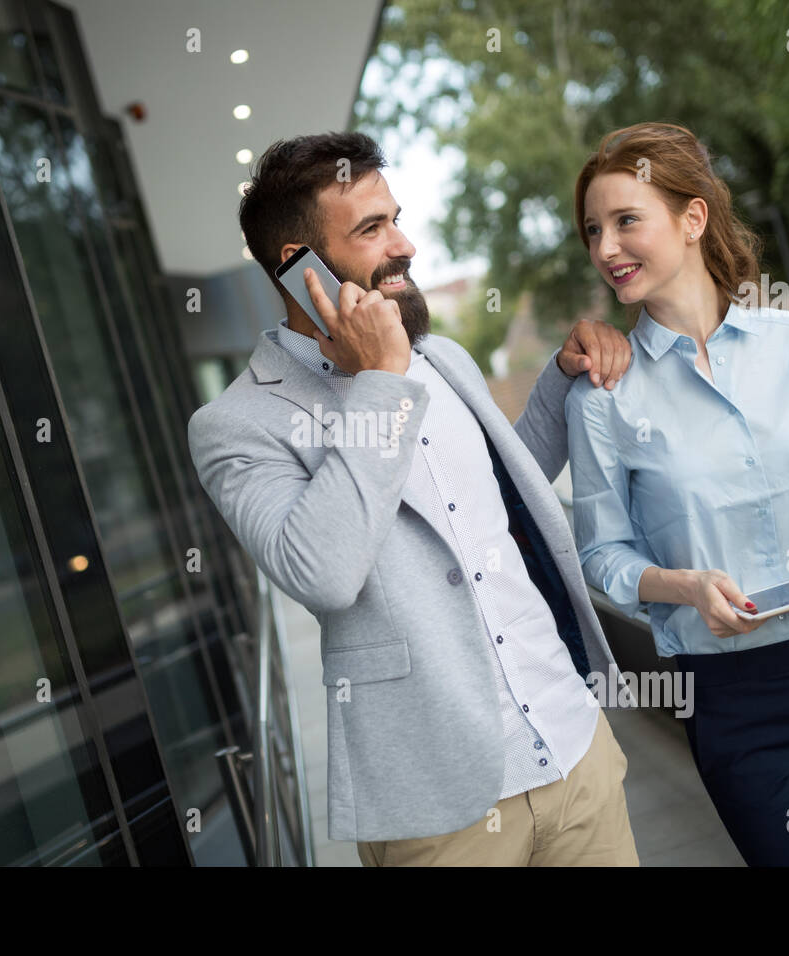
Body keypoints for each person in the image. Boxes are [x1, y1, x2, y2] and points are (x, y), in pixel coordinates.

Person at [189, 131, 639, 866]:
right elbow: (323, 571)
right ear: (297, 267)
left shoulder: (443, 357)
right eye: (372, 229)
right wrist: (380, 382)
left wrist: (561, 375)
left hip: (572, 748)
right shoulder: (236, 424)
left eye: (395, 218)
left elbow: (504, 485)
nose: (406, 245)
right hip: (440, 810)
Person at [564, 122, 789, 866]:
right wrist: (681, 586)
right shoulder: (602, 393)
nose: (606, 249)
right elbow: (602, 552)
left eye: (626, 220)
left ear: (693, 217)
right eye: (593, 230)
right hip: (738, 698)